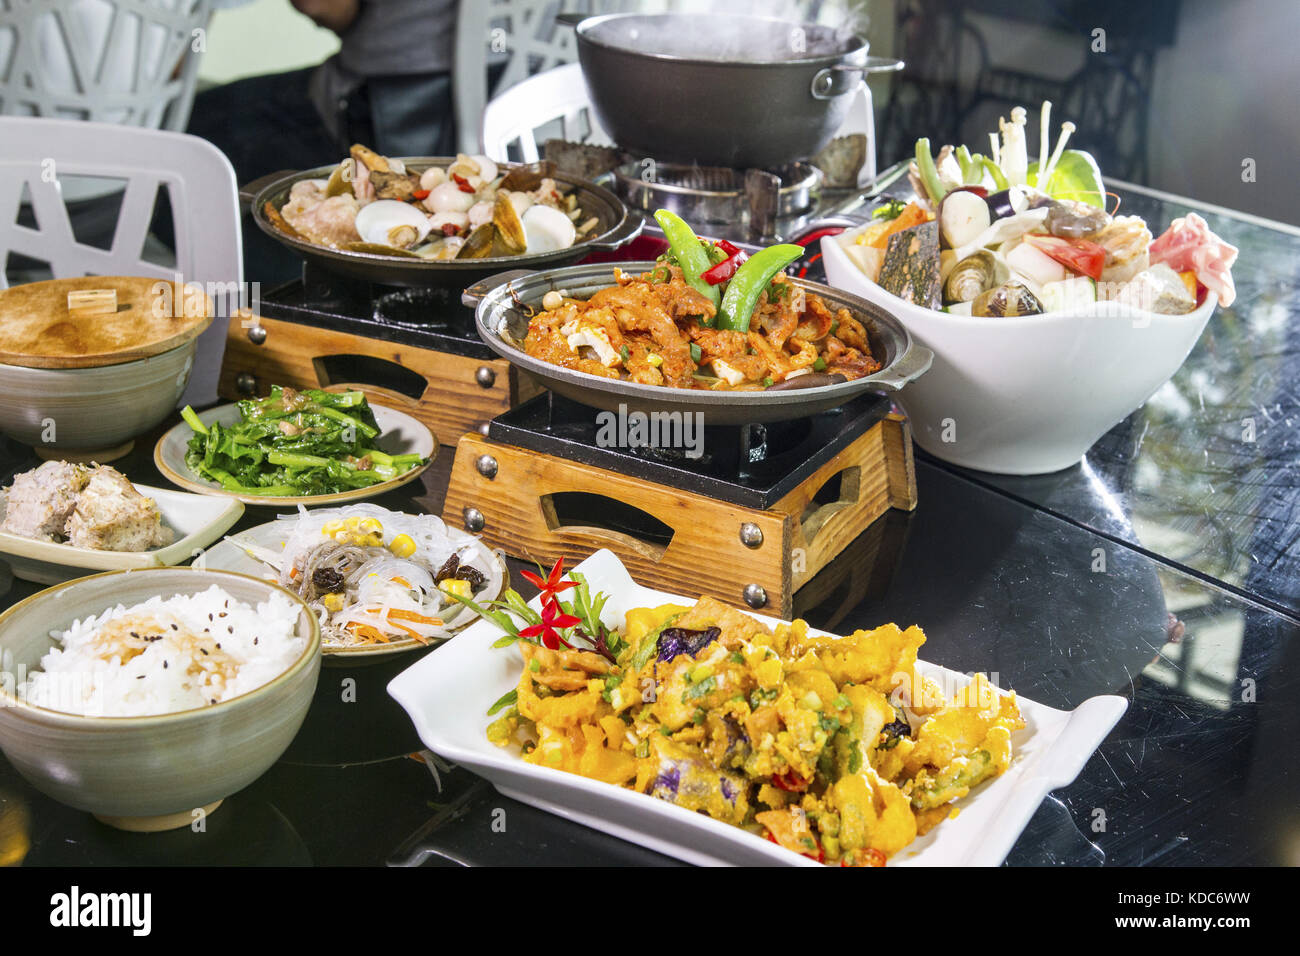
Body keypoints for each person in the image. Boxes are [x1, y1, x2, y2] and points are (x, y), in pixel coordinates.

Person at [187, 0, 460, 283]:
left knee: (186, 134)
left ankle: (307, 287)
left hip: (381, 101)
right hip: (492, 97)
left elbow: (320, 5)